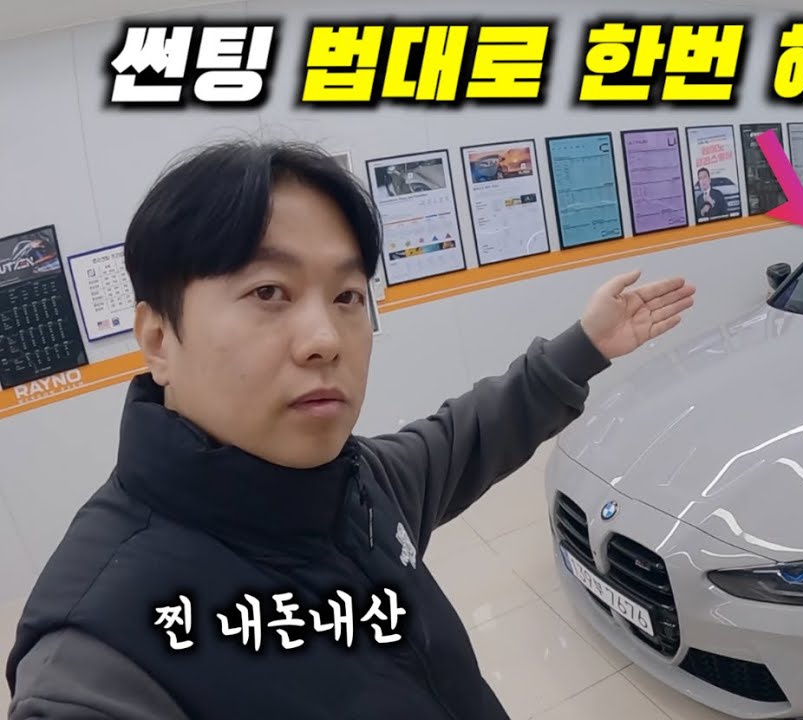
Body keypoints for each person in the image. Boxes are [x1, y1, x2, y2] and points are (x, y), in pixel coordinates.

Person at [5, 140, 696, 719]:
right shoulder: (102, 652)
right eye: (268, 292)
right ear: (158, 338)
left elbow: (469, 433)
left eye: (346, 296)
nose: (325, 339)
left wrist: (587, 344)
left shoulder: (355, 485)